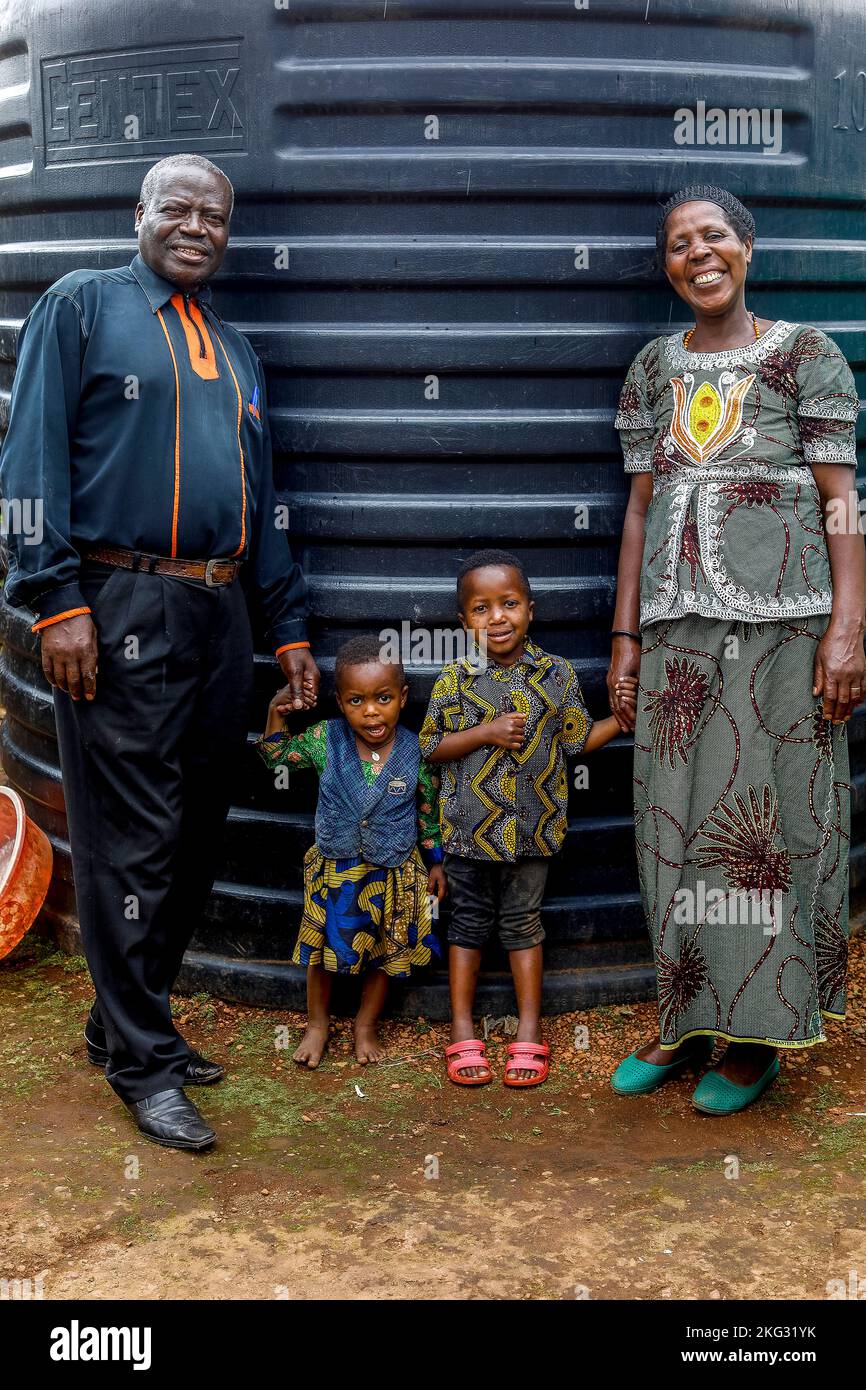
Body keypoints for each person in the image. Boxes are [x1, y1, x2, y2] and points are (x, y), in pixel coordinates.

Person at [0, 153, 321, 1151]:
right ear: (137, 215)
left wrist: (289, 626)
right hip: (116, 600)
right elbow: (28, 459)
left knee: (191, 834)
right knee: (130, 839)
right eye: (176, 207)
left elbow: (262, 507)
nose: (196, 224)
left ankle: (119, 1023)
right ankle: (141, 1063)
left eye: (214, 214)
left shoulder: (238, 351)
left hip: (219, 615)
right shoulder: (83, 305)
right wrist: (54, 604)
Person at [608, 184, 865, 1115]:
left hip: (785, 635)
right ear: (669, 265)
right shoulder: (651, 369)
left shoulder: (804, 355)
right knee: (673, 829)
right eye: (680, 244)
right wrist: (625, 636)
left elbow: (843, 499)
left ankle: (761, 1032)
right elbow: (640, 511)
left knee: (768, 831)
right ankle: (689, 1019)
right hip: (678, 634)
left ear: (746, 248)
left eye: (714, 235)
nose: (698, 253)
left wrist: (848, 628)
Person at [420, 549, 635, 1087]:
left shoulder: (556, 675)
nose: (497, 617)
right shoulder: (454, 679)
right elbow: (429, 747)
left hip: (533, 834)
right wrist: (484, 734)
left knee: (523, 924)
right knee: (467, 926)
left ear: (530, 611)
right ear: (464, 620)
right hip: (467, 835)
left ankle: (529, 1028)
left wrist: (622, 718)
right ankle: (463, 1026)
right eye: (481, 608)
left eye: (509, 604)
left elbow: (577, 740)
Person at [257, 634, 446, 1068]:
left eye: (383, 698)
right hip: (335, 871)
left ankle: (365, 1024)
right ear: (340, 703)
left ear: (403, 696)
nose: (371, 711)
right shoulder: (327, 739)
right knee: (321, 951)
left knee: (383, 951)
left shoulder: (417, 752)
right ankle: (318, 1024)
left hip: (394, 872)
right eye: (356, 701)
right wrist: (274, 712)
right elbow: (278, 760)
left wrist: (436, 864)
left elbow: (428, 814)